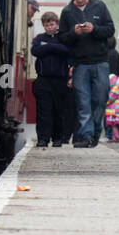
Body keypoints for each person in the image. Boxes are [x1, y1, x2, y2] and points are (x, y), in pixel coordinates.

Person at [57, 0, 115, 147]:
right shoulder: (67, 12)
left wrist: (94, 29)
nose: (80, 0)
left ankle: (96, 132)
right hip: (80, 63)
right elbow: (62, 38)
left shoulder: (100, 6)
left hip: (100, 61)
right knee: (83, 102)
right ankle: (87, 136)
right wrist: (74, 33)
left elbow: (110, 29)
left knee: (101, 98)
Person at [30, 12, 72, 147]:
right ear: (43, 26)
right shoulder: (39, 38)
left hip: (60, 79)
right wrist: (52, 47)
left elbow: (67, 50)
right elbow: (35, 51)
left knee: (58, 111)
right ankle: (43, 138)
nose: (49, 27)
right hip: (43, 79)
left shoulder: (63, 38)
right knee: (44, 111)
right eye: (46, 25)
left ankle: (58, 138)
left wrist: (49, 47)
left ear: (57, 24)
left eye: (52, 24)